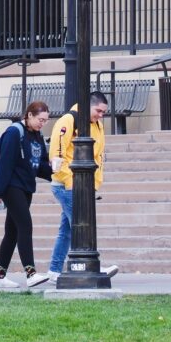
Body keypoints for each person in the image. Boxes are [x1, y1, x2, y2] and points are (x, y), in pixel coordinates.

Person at [47, 91, 118, 279]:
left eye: (104, 112)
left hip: (82, 185)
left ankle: (54, 271)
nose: (101, 115)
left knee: (69, 230)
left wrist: (95, 183)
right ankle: (90, 266)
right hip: (66, 185)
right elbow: (56, 154)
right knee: (82, 227)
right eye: (98, 111)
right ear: (87, 105)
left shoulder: (98, 126)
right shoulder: (67, 121)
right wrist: (70, 181)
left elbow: (100, 156)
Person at [0, 100, 52, 288]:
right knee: (25, 225)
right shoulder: (14, 133)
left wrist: (55, 170)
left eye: (45, 120)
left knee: (12, 232)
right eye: (40, 119)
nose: (42, 123)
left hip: (26, 187)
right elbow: (4, 164)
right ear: (29, 115)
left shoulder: (37, 136)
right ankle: (30, 274)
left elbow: (39, 166)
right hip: (11, 187)